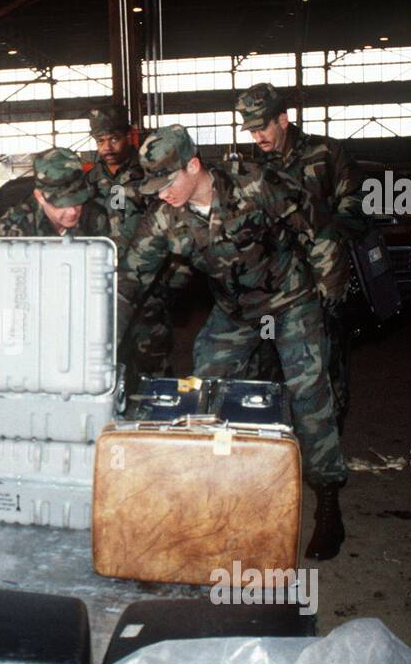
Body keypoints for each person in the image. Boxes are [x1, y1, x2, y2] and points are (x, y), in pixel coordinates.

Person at [119, 125, 348, 560]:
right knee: (203, 385)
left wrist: (329, 293)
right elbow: (130, 280)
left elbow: (318, 227)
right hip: (235, 311)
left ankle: (329, 500)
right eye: (154, 186)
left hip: (289, 300)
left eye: (167, 183)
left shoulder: (256, 185)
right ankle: (215, 490)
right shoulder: (165, 217)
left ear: (193, 165)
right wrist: (104, 339)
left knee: (308, 394)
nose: (162, 194)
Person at [237, 82, 371, 434]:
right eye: (250, 129)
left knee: (326, 369)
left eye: (261, 126)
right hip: (275, 287)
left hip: (321, 283)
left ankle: (326, 449)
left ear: (283, 119)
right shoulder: (257, 168)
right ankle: (278, 442)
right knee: (268, 367)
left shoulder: (326, 152)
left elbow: (356, 203)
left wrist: (323, 238)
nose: (257, 136)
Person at [85, 105, 175, 378]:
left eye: (114, 139)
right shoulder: (88, 180)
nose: (107, 147)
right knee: (108, 355)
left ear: (129, 135)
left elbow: (169, 224)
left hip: (148, 283)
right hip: (105, 284)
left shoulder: (150, 172)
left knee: (152, 355)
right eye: (100, 141)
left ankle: (158, 410)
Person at [0, 147, 109, 238]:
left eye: (78, 201)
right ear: (39, 197)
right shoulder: (14, 227)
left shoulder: (95, 217)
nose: (73, 211)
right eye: (61, 204)